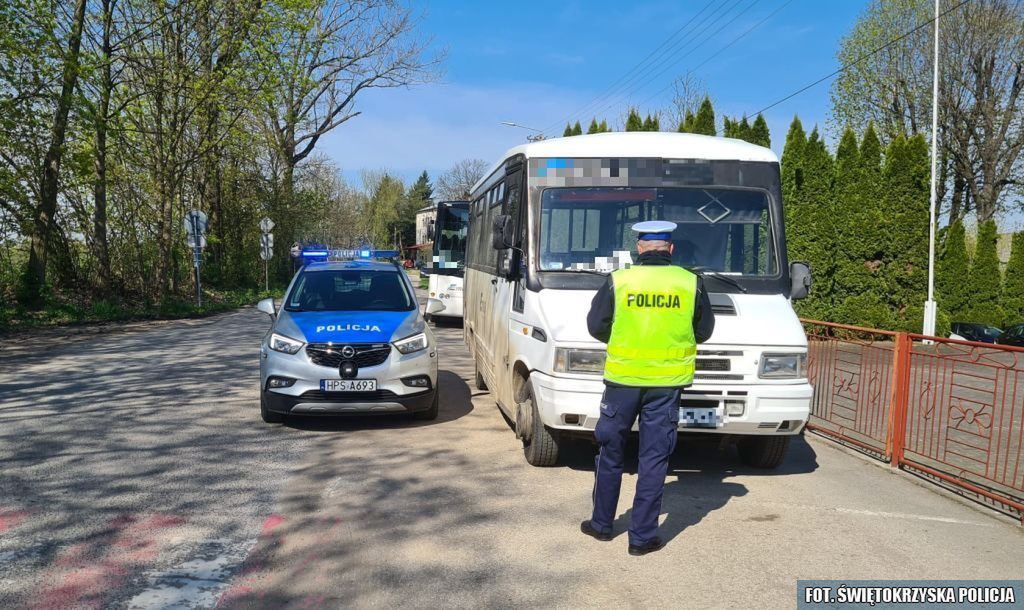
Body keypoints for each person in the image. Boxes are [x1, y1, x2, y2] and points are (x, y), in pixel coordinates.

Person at [581, 220, 715, 556]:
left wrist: (625, 340)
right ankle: (641, 539)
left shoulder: (619, 280)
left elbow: (596, 326)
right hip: (667, 385)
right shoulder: (691, 282)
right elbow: (703, 331)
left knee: (610, 452)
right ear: (671, 249)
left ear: (639, 249)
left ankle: (601, 525)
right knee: (654, 459)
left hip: (622, 381)